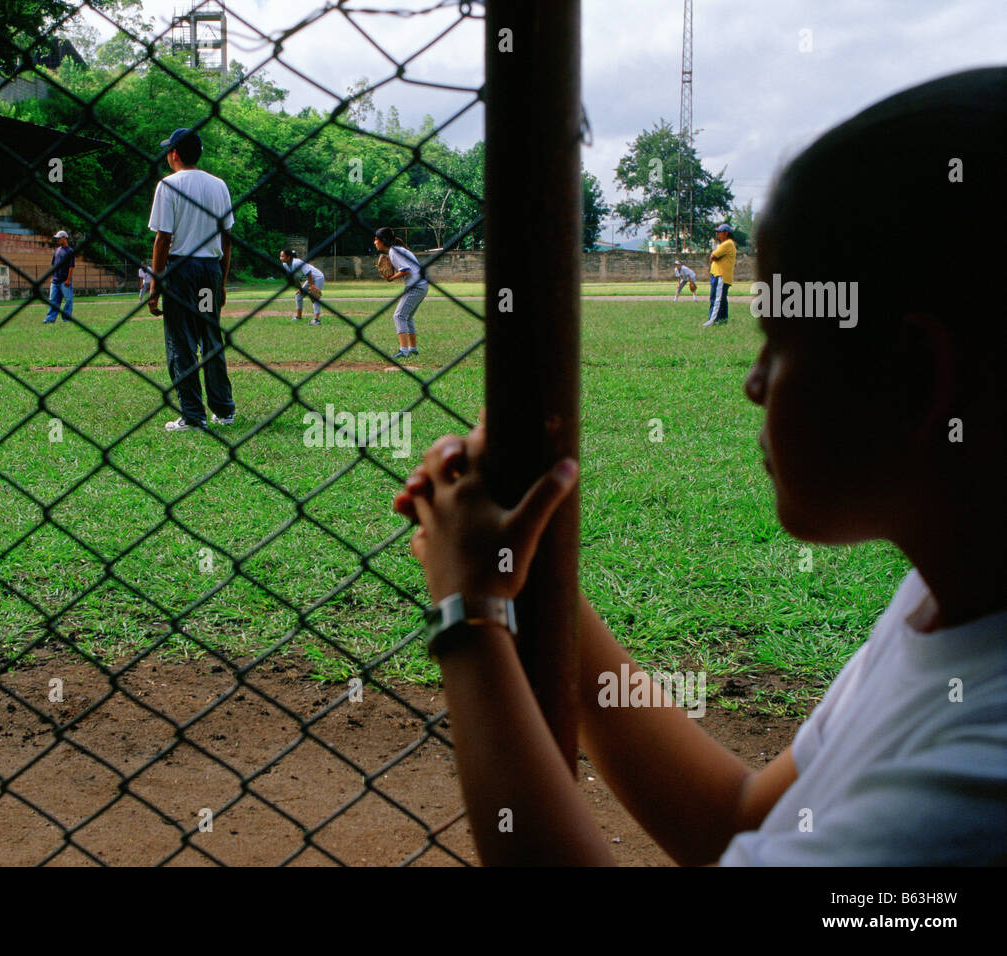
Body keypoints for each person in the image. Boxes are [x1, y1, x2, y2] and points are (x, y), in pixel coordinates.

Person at [391, 67, 1007, 865]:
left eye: (780, 343)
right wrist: (530, 570)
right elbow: (740, 817)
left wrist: (468, 619)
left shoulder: (977, 782)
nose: (753, 386)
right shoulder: (949, 600)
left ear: (920, 378)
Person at [147, 127, 236, 431]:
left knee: (181, 342)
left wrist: (155, 284)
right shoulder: (218, 185)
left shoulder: (168, 185)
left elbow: (162, 239)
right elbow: (226, 239)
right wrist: (221, 281)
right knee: (210, 337)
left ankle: (193, 415)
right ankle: (224, 410)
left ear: (174, 154)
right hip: (209, 269)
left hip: (180, 271)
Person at [374, 227, 427, 358]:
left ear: (383, 241)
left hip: (416, 286)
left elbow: (406, 270)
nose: (374, 242)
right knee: (407, 316)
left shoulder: (394, 251)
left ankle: (403, 350)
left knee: (399, 316)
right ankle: (413, 348)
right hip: (421, 285)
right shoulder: (397, 250)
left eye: (376, 239)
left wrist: (391, 278)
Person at [279, 249, 324, 325]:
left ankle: (316, 320)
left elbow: (309, 273)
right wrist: (300, 288)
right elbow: (294, 277)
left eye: (282, 256)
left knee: (314, 296)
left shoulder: (297, 263)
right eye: (280, 256)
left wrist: (311, 286)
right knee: (298, 295)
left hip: (317, 277)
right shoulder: (285, 265)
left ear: (288, 257)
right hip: (309, 279)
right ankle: (298, 317)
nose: (280, 258)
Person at [704, 223, 737, 326]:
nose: (717, 234)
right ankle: (722, 319)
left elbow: (713, 256)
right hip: (721, 275)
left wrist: (714, 257)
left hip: (720, 275)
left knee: (716, 298)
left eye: (719, 232)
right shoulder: (728, 244)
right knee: (722, 299)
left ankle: (713, 320)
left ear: (726, 233)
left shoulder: (727, 244)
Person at [45, 229, 74, 324]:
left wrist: (68, 279)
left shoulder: (70, 251)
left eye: (59, 238)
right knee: (53, 300)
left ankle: (66, 318)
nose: (57, 240)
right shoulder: (57, 250)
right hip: (55, 280)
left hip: (65, 280)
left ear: (64, 238)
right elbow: (54, 265)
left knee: (68, 300)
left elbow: (71, 266)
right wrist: (52, 277)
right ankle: (50, 319)